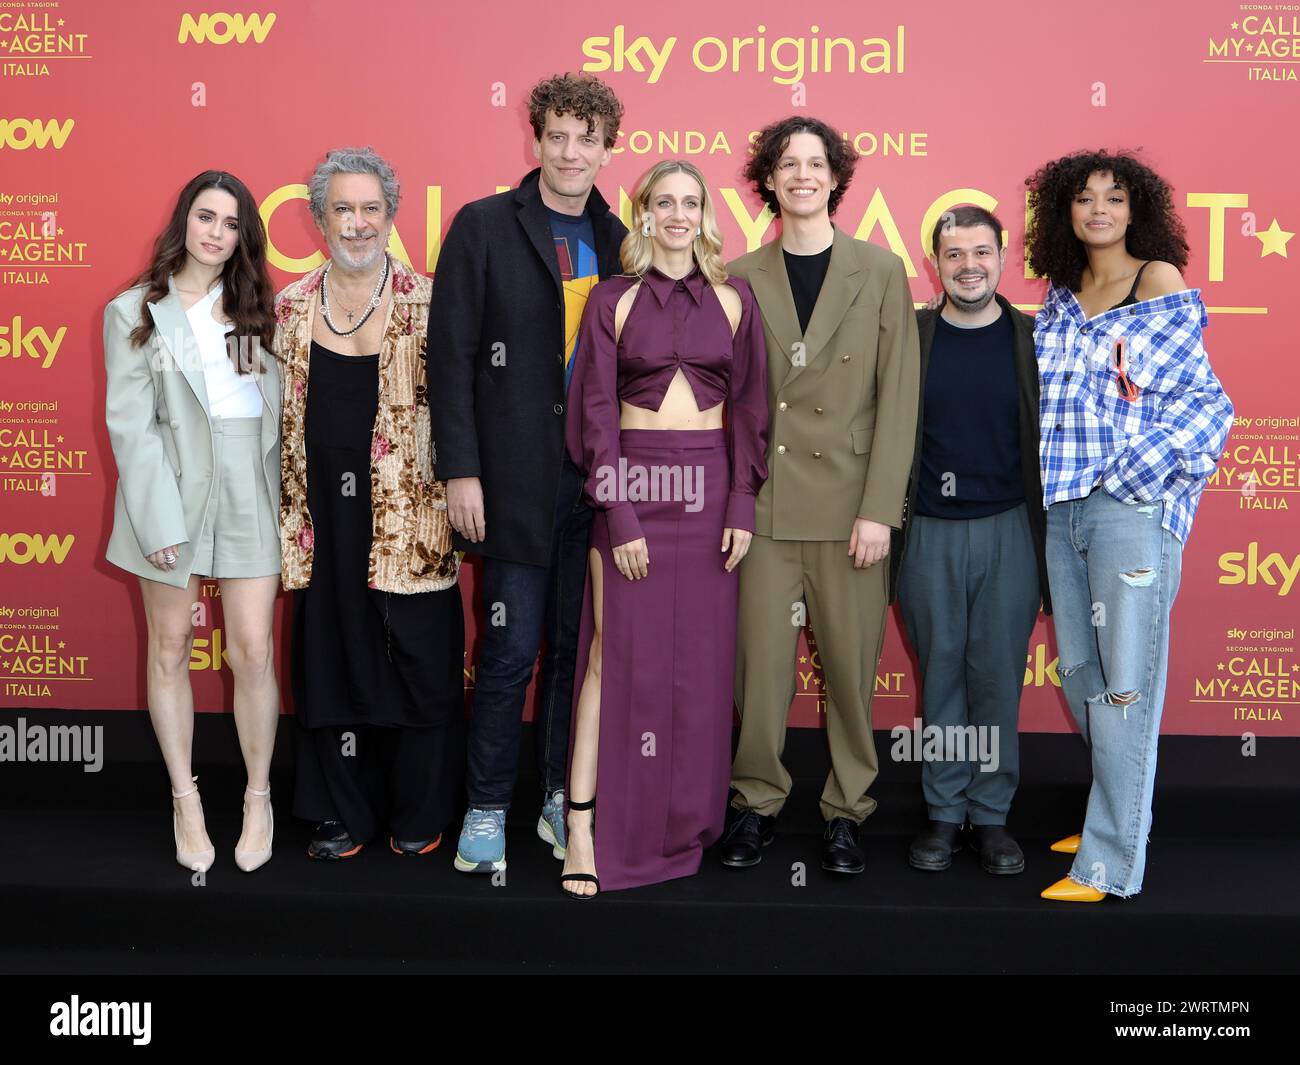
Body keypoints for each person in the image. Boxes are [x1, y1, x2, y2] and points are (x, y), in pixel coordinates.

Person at [428, 73, 629, 874]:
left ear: (608, 148)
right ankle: (482, 806)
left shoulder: (623, 240)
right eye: (558, 135)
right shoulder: (482, 226)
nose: (571, 150)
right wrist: (461, 472)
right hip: (509, 482)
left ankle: (557, 792)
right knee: (509, 651)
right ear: (535, 140)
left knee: (578, 650)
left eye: (587, 138)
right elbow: (449, 360)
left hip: (598, 488)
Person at [1026, 150, 1233, 900]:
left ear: (1136, 208)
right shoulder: (1058, 296)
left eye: (1114, 197)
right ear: (1065, 212)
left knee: (1125, 689)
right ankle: (1123, 810)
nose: (1100, 210)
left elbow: (1205, 405)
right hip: (1063, 508)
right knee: (1083, 671)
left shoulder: (1158, 282)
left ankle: (1110, 863)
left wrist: (1132, 478)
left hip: (1127, 514)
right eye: (1084, 199)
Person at [559, 161, 769, 896]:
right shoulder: (611, 300)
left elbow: (751, 410)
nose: (677, 215)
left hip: (710, 489)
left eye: (690, 203)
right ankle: (583, 825)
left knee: (698, 665)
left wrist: (742, 502)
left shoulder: (735, 299)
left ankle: (682, 820)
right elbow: (593, 414)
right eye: (663, 202)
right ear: (643, 213)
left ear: (705, 215)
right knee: (611, 659)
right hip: (636, 481)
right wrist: (619, 512)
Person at [720, 116, 920, 875]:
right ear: (767, 179)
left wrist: (880, 509)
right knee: (760, 671)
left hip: (850, 512)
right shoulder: (738, 274)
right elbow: (734, 405)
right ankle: (756, 802)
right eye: (786, 163)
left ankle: (846, 810)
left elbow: (898, 397)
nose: (802, 175)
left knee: (849, 669)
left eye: (815, 163)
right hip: (767, 512)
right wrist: (736, 506)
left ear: (836, 177)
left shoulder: (882, 269)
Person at [275, 147, 464, 861]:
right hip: (322, 516)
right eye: (342, 209)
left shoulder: (432, 299)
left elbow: (464, 410)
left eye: (370, 208)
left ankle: (419, 809)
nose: (356, 223)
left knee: (420, 657)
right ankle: (339, 811)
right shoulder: (290, 307)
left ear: (391, 216)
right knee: (332, 657)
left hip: (412, 515)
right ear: (320, 218)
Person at [104, 170, 281, 873]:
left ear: (243, 236)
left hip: (248, 487)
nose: (217, 232)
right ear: (185, 221)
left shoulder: (256, 306)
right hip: (170, 487)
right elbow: (131, 427)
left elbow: (271, 412)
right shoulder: (134, 310)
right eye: (207, 217)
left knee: (254, 651)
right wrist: (158, 517)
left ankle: (259, 797)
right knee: (170, 647)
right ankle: (185, 797)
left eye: (232, 223)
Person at [893, 206, 1050, 876]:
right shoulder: (912, 334)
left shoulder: (1034, 338)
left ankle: (990, 817)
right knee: (943, 675)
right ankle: (944, 813)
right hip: (927, 530)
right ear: (935, 263)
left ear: (1003, 255)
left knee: (995, 678)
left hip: (1010, 528)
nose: (969, 266)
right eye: (954, 254)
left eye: (981, 252)